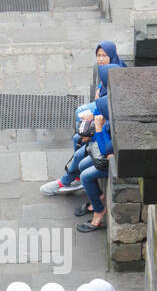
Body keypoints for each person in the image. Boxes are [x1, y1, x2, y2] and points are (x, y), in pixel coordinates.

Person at [40, 93, 112, 233]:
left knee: (86, 176)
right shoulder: (106, 119)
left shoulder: (108, 125)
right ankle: (97, 197)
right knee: (81, 165)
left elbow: (105, 149)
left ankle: (99, 212)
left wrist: (98, 128)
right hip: (103, 153)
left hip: (110, 161)